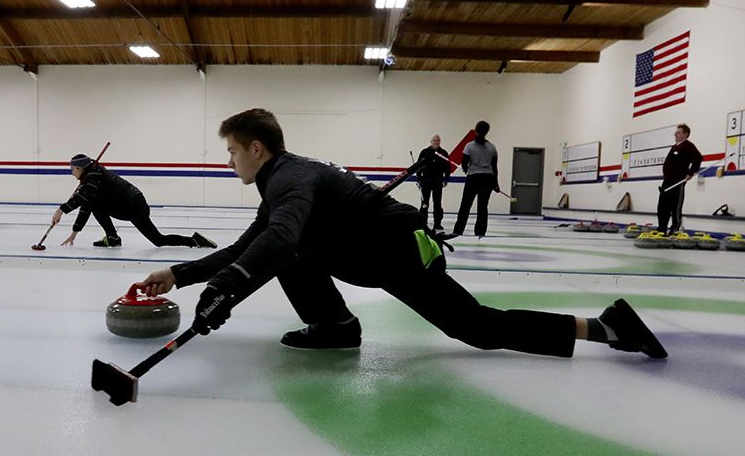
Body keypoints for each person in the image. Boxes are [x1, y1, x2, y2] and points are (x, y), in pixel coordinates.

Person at [140, 108, 667, 362]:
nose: (229, 160)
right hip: (372, 254)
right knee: (285, 252)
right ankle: (335, 325)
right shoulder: (283, 179)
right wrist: (181, 275)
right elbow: (255, 245)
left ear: (257, 148)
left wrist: (225, 287)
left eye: (231, 150)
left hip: (399, 254)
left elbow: (274, 242)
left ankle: (606, 328)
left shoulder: (291, 178)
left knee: (476, 328)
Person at [51, 154, 217, 249]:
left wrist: (61, 210)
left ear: (80, 168)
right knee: (159, 240)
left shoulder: (93, 178)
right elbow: (85, 206)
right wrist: (74, 234)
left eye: (73, 169)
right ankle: (194, 240)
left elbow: (81, 199)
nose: (72, 173)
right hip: (135, 203)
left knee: (158, 240)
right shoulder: (93, 176)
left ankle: (113, 238)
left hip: (132, 206)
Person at [452, 121, 500, 238]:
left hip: (473, 178)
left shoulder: (469, 146)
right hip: (488, 179)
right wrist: (496, 184)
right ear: (487, 132)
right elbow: (494, 168)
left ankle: (458, 231)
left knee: (465, 206)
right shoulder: (492, 147)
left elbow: (464, 164)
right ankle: (480, 233)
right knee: (483, 207)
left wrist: (465, 168)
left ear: (476, 130)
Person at [658, 124, 702, 235]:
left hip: (678, 181)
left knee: (675, 207)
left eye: (678, 132)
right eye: (675, 132)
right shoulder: (674, 147)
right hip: (667, 181)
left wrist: (690, 173)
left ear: (685, 134)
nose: (675, 134)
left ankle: (675, 229)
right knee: (662, 206)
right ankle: (662, 229)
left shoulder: (688, 146)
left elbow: (698, 158)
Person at [416, 135, 450, 232]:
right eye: (435, 140)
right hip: (425, 181)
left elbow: (447, 167)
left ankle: (437, 224)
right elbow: (418, 165)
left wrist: (446, 178)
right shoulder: (424, 152)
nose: (436, 142)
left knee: (437, 204)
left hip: (438, 182)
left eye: (438, 140)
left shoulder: (444, 153)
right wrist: (418, 178)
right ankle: (422, 224)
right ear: (431, 141)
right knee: (424, 203)